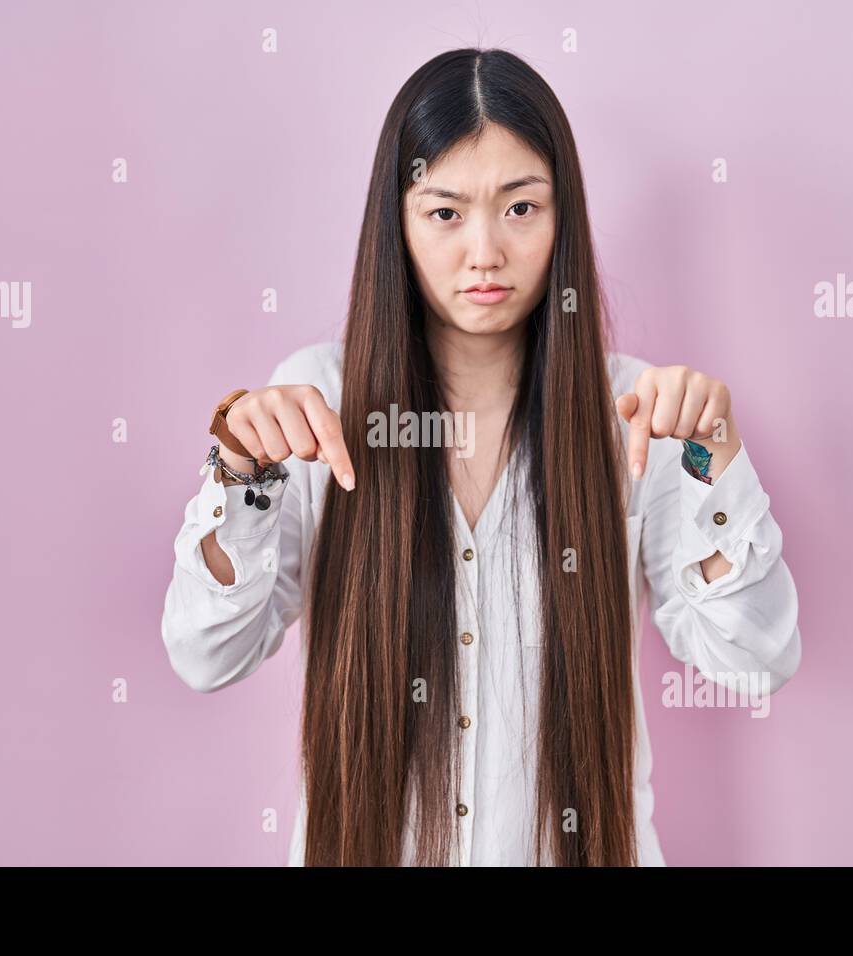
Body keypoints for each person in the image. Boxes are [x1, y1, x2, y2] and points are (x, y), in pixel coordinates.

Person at [160, 48, 801, 867]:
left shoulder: (636, 418)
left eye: (521, 208)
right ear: (396, 222)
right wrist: (243, 472)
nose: (486, 252)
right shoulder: (317, 403)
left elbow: (757, 662)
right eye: (445, 212)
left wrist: (715, 463)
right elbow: (205, 653)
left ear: (563, 215)